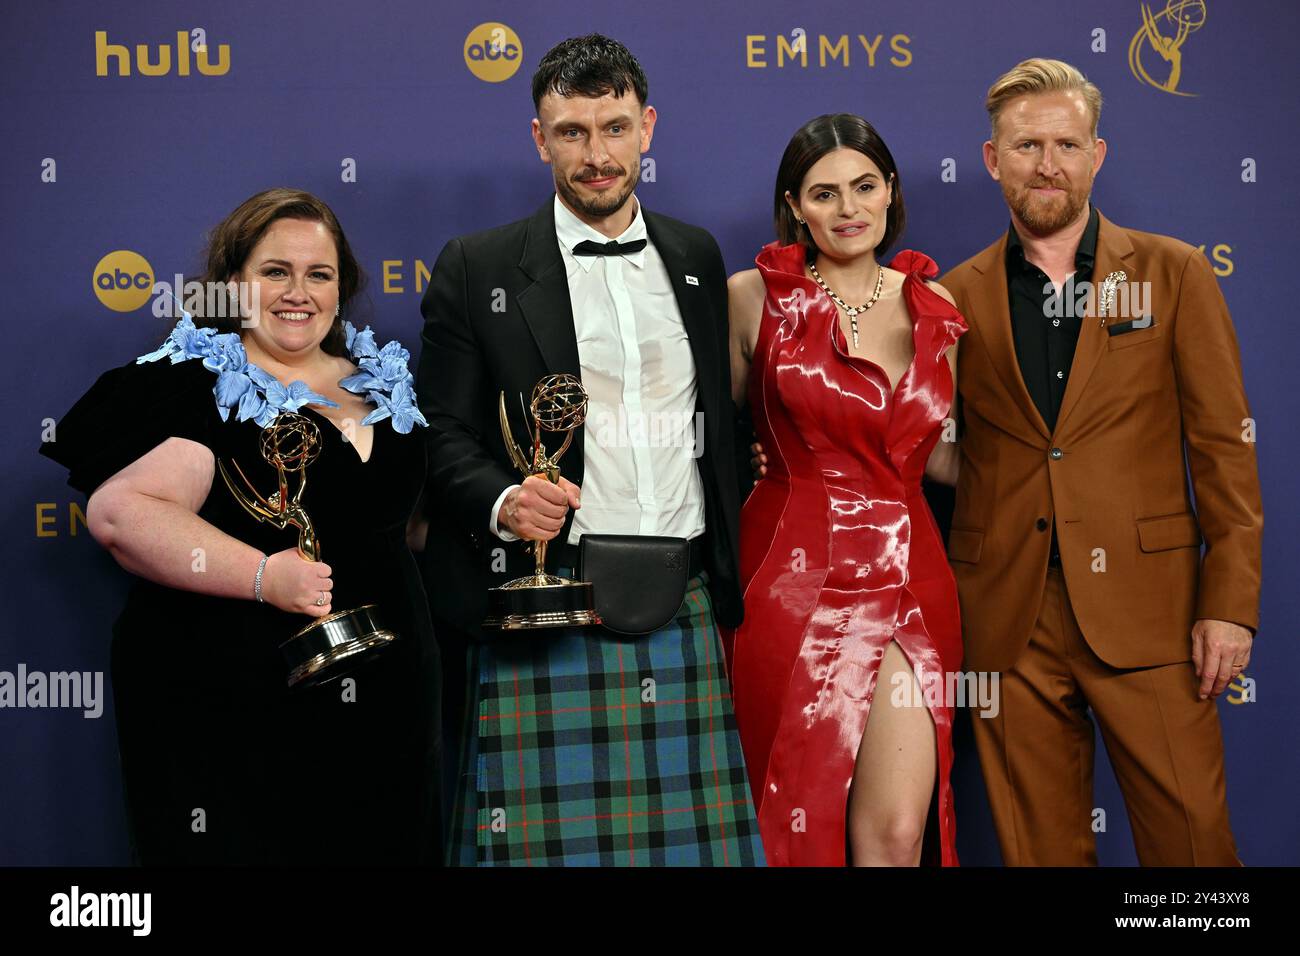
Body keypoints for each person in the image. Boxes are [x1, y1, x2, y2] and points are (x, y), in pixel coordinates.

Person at [417, 34, 763, 866]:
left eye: (614, 128)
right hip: (550, 602)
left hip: (683, 599)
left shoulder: (694, 256)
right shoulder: (480, 266)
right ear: (540, 139)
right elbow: (438, 429)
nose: (597, 154)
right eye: (572, 132)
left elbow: (718, 409)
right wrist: (503, 502)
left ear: (647, 127)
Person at [38, 188, 442, 865]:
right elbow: (122, 515)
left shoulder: (383, 383)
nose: (298, 292)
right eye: (274, 272)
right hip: (241, 711)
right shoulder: (199, 383)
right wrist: (264, 576)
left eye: (319, 274)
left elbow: (398, 527)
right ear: (233, 286)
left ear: (342, 289)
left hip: (387, 703)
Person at [939, 59, 1262, 865]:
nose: (1047, 164)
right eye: (1026, 145)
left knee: (1194, 852)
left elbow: (1224, 448)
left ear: (1097, 154)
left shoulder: (1172, 271)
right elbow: (931, 446)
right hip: (1009, 617)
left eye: (1066, 144)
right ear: (992, 159)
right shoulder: (954, 297)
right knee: (1040, 853)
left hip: (1152, 611)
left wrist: (1230, 604)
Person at [727, 114, 967, 866]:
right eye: (823, 193)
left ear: (891, 192)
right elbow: (708, 436)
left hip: (914, 574)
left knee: (897, 834)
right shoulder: (749, 296)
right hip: (790, 579)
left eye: (865, 186)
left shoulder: (940, 305)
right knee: (796, 813)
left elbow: (944, 461)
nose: (848, 208)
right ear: (795, 206)